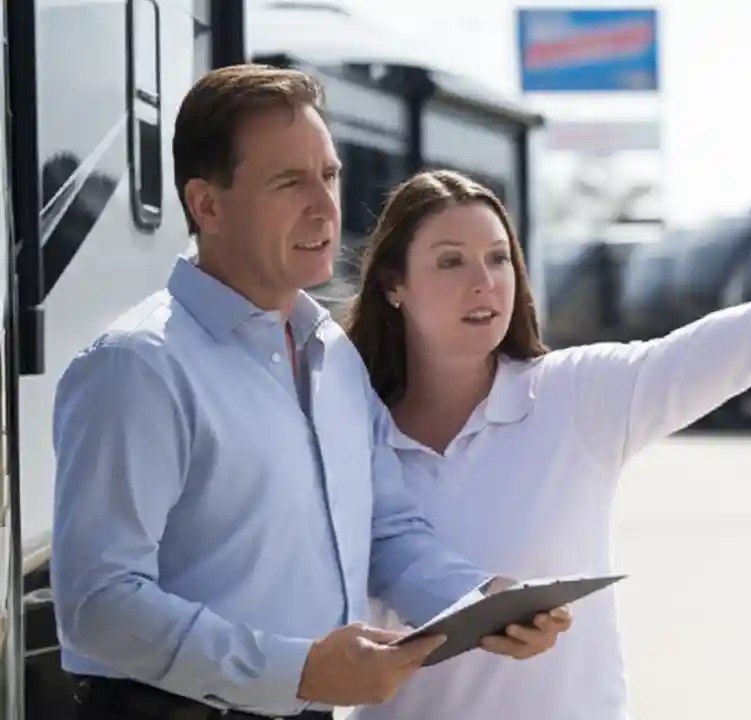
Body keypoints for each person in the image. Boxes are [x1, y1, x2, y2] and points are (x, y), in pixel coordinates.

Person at [50, 65, 570, 720]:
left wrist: (479, 603)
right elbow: (98, 604)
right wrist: (295, 672)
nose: (325, 208)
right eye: (289, 182)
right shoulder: (137, 368)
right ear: (206, 205)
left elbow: (387, 530)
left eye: (328, 175)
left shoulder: (332, 353)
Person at [343, 169, 751, 720]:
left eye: (498, 258)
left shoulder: (573, 394)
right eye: (450, 261)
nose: (484, 282)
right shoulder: (343, 426)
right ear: (394, 284)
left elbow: (691, 357)